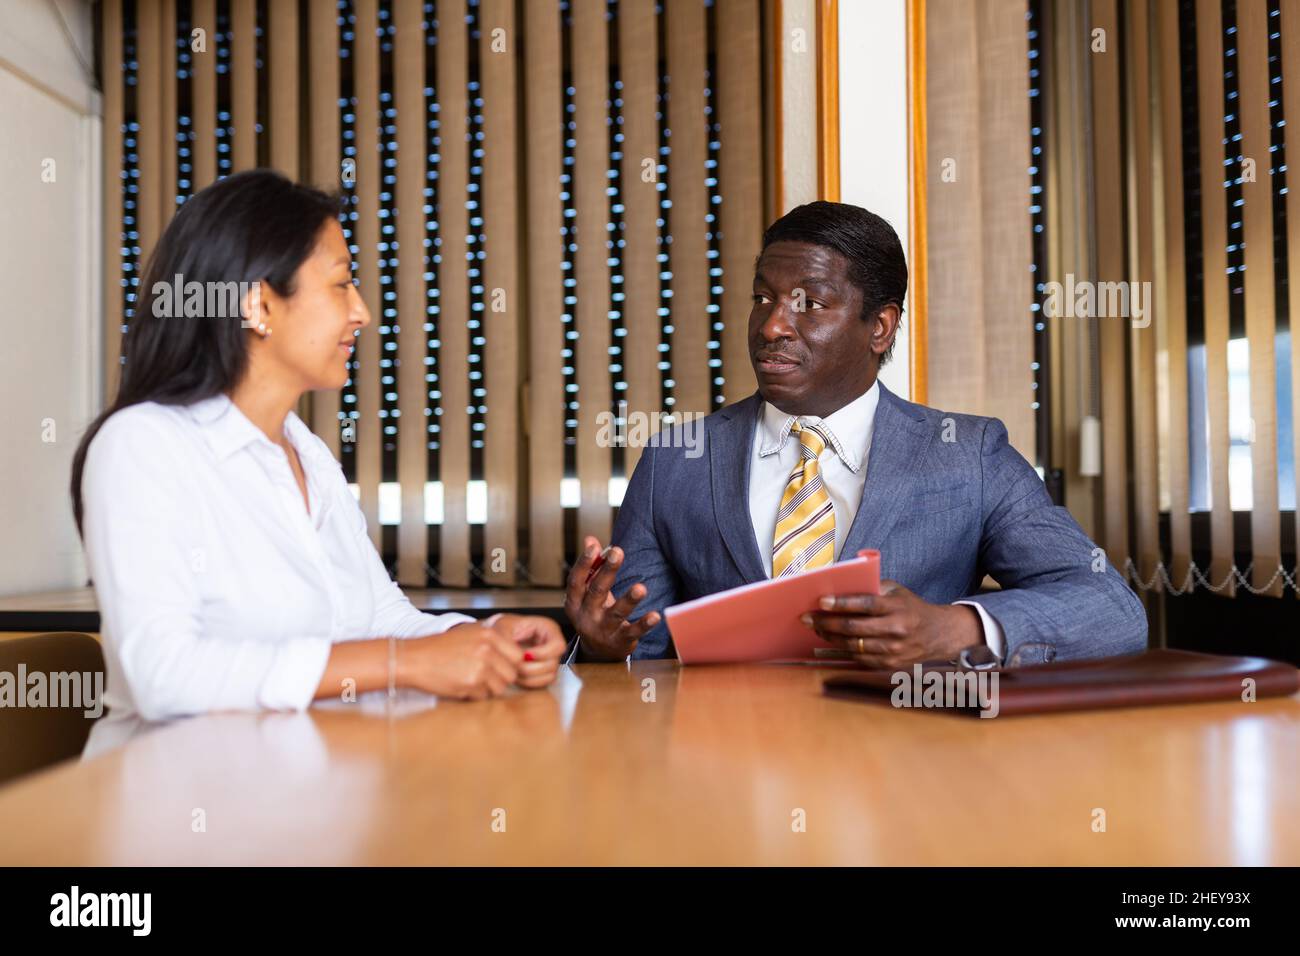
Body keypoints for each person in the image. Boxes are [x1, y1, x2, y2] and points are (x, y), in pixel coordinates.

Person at [72, 171, 564, 755]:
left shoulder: (306, 452)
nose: (362, 313)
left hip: (310, 790)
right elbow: (164, 675)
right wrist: (402, 662)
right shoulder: (142, 447)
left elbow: (380, 616)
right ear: (257, 304)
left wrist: (484, 638)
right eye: (341, 285)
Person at [565, 201, 1148, 666]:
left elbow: (1112, 608)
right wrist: (601, 644)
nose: (771, 325)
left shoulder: (968, 454)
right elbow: (639, 644)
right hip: (723, 771)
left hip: (902, 772)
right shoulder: (675, 461)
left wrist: (953, 628)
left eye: (809, 304)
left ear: (880, 326)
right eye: (762, 299)